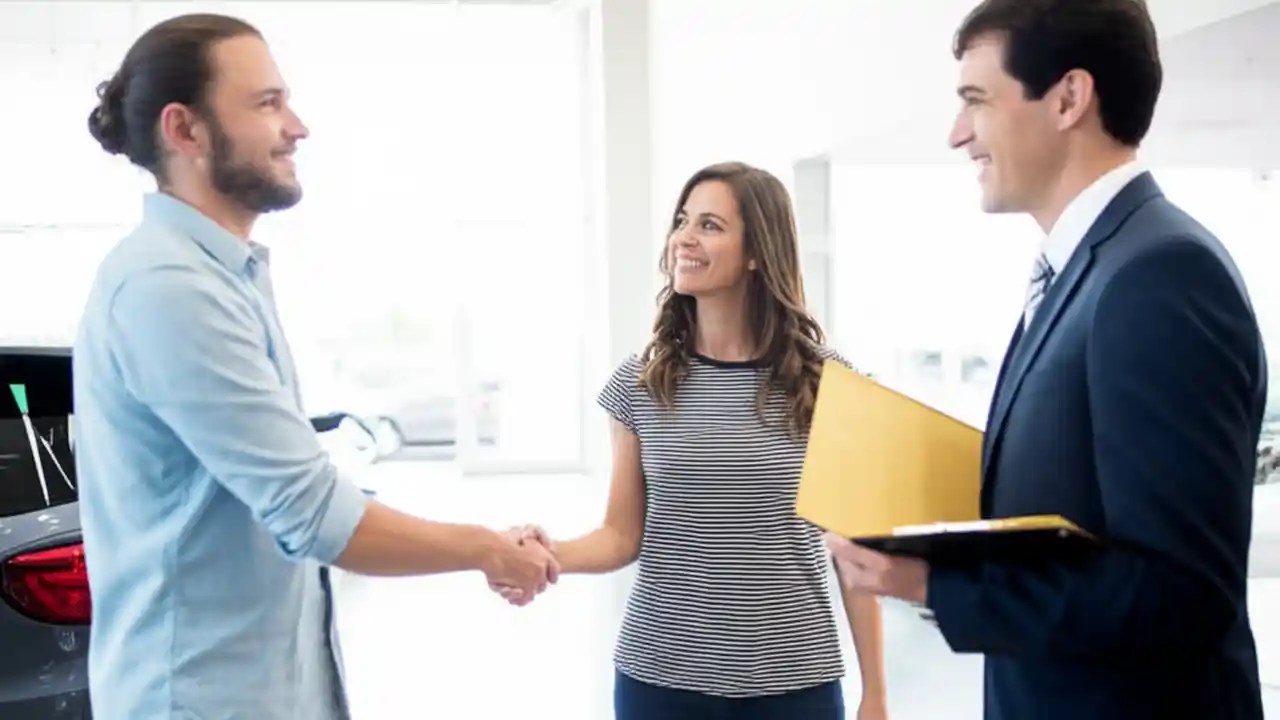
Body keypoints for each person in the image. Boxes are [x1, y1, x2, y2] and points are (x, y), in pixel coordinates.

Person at [73, 13, 557, 720]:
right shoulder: (167, 289)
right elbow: (315, 514)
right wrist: (489, 549)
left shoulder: (221, 276)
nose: (296, 127)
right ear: (186, 130)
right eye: (267, 103)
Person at [826, 1, 1266, 719]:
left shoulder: (1160, 275)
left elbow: (1180, 596)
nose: (957, 133)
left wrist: (932, 588)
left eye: (976, 101)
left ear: (1068, 99)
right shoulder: (1091, 272)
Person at [494, 162, 889, 720]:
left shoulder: (828, 384)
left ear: (757, 251)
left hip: (795, 682)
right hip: (659, 681)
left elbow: (855, 550)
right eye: (682, 221)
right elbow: (620, 535)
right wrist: (543, 554)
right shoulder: (641, 383)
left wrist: (876, 693)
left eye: (709, 225)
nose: (684, 238)